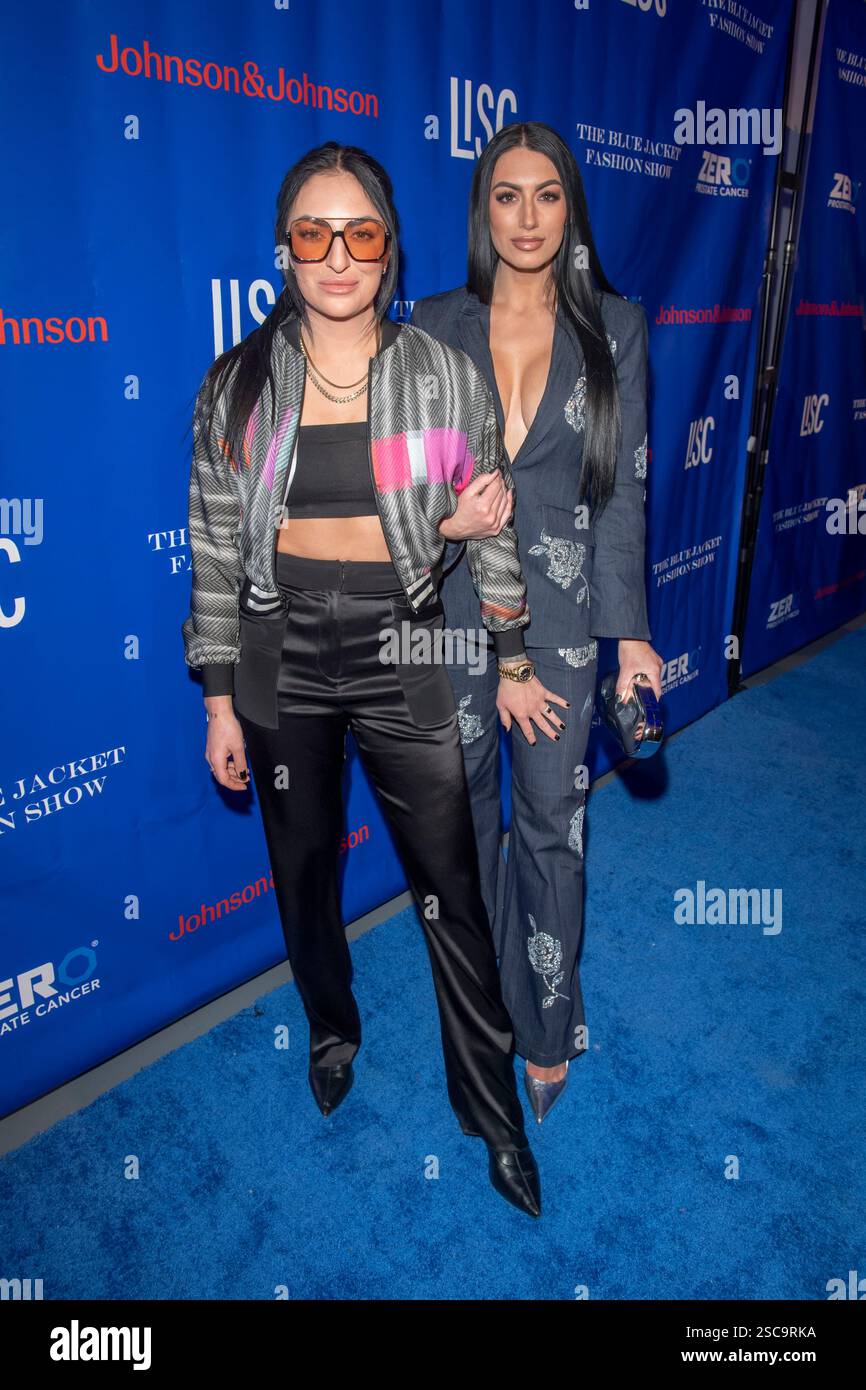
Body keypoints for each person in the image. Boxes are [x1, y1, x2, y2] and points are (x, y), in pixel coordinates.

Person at [181, 140, 569, 1217]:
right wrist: (218, 695)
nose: (337, 254)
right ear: (284, 252)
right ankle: (332, 1026)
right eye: (314, 233)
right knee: (302, 872)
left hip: (404, 644)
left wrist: (510, 655)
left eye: (359, 232)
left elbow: (484, 536)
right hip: (275, 651)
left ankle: (488, 1110)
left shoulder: (441, 377)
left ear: (388, 248)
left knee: (449, 887)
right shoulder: (238, 386)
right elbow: (216, 548)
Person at [410, 121, 663, 1123]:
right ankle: (484, 1013)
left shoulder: (616, 327)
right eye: (505, 195)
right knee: (461, 833)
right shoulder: (429, 326)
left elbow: (621, 492)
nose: (526, 217)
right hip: (448, 610)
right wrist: (439, 521)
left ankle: (548, 1028)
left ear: (570, 210)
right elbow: (395, 488)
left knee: (553, 830)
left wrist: (630, 631)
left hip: (558, 620)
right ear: (482, 210)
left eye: (546, 195)